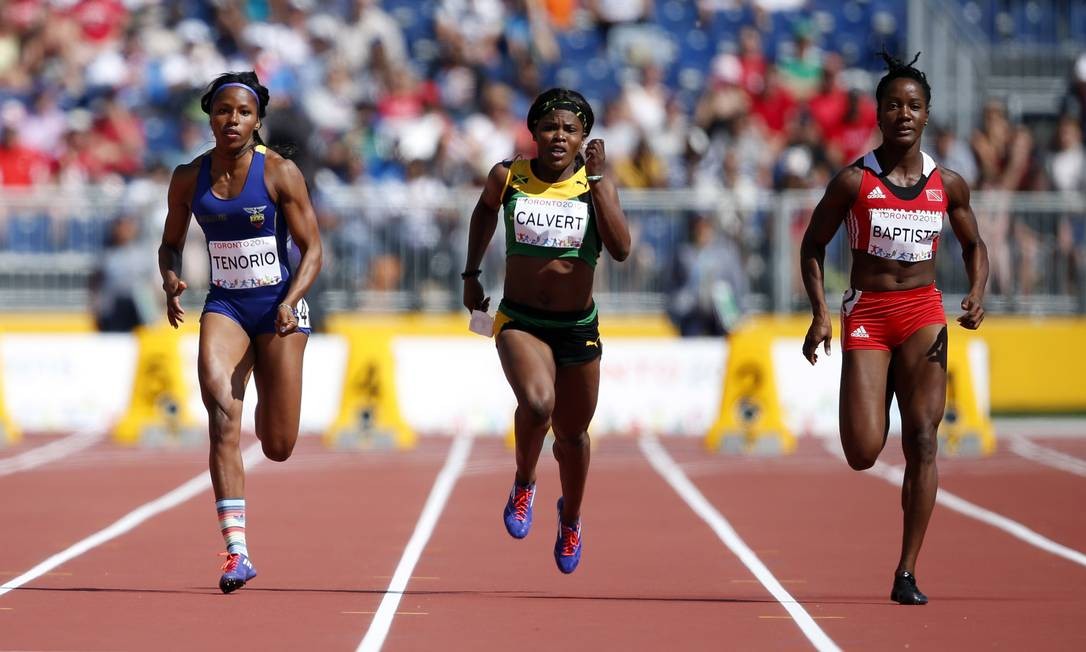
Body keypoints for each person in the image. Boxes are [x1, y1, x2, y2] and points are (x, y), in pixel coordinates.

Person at [799, 52, 989, 605]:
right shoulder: (854, 182)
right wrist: (820, 312)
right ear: (879, 114)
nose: (903, 114)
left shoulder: (947, 184)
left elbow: (974, 244)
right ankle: (874, 390)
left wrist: (977, 291)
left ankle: (906, 571)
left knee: (924, 440)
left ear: (927, 114)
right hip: (869, 315)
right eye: (893, 105)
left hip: (923, 313)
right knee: (862, 451)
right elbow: (812, 244)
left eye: (914, 106)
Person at [158, 71, 323, 594]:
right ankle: (237, 552)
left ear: (257, 121)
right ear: (210, 116)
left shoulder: (279, 172)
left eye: (243, 113)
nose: (232, 120)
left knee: (278, 444)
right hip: (225, 305)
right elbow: (170, 243)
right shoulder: (188, 177)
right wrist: (170, 277)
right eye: (223, 111)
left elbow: (313, 250)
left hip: (278, 308)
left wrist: (291, 301)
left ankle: (266, 388)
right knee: (220, 416)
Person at [462, 88, 631, 574]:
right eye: (550, 127)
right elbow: (484, 211)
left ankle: (571, 517)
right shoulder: (508, 176)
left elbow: (621, 249)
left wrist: (596, 181)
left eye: (570, 129)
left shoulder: (595, 184)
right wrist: (471, 275)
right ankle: (524, 481)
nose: (559, 136)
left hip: (576, 327)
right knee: (538, 405)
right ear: (534, 131)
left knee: (573, 435)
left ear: (584, 138)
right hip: (521, 320)